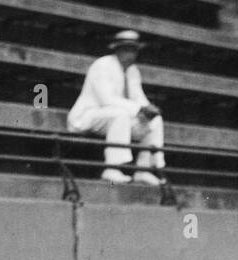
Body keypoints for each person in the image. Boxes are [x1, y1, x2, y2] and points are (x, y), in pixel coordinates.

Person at [68, 30, 166, 186]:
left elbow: (138, 98)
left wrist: (148, 109)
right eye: (127, 49)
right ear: (117, 49)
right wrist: (138, 108)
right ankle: (112, 169)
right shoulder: (102, 65)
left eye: (133, 50)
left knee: (155, 121)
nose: (131, 54)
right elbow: (106, 100)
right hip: (89, 115)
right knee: (120, 114)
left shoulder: (133, 71)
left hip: (117, 118)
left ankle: (143, 170)